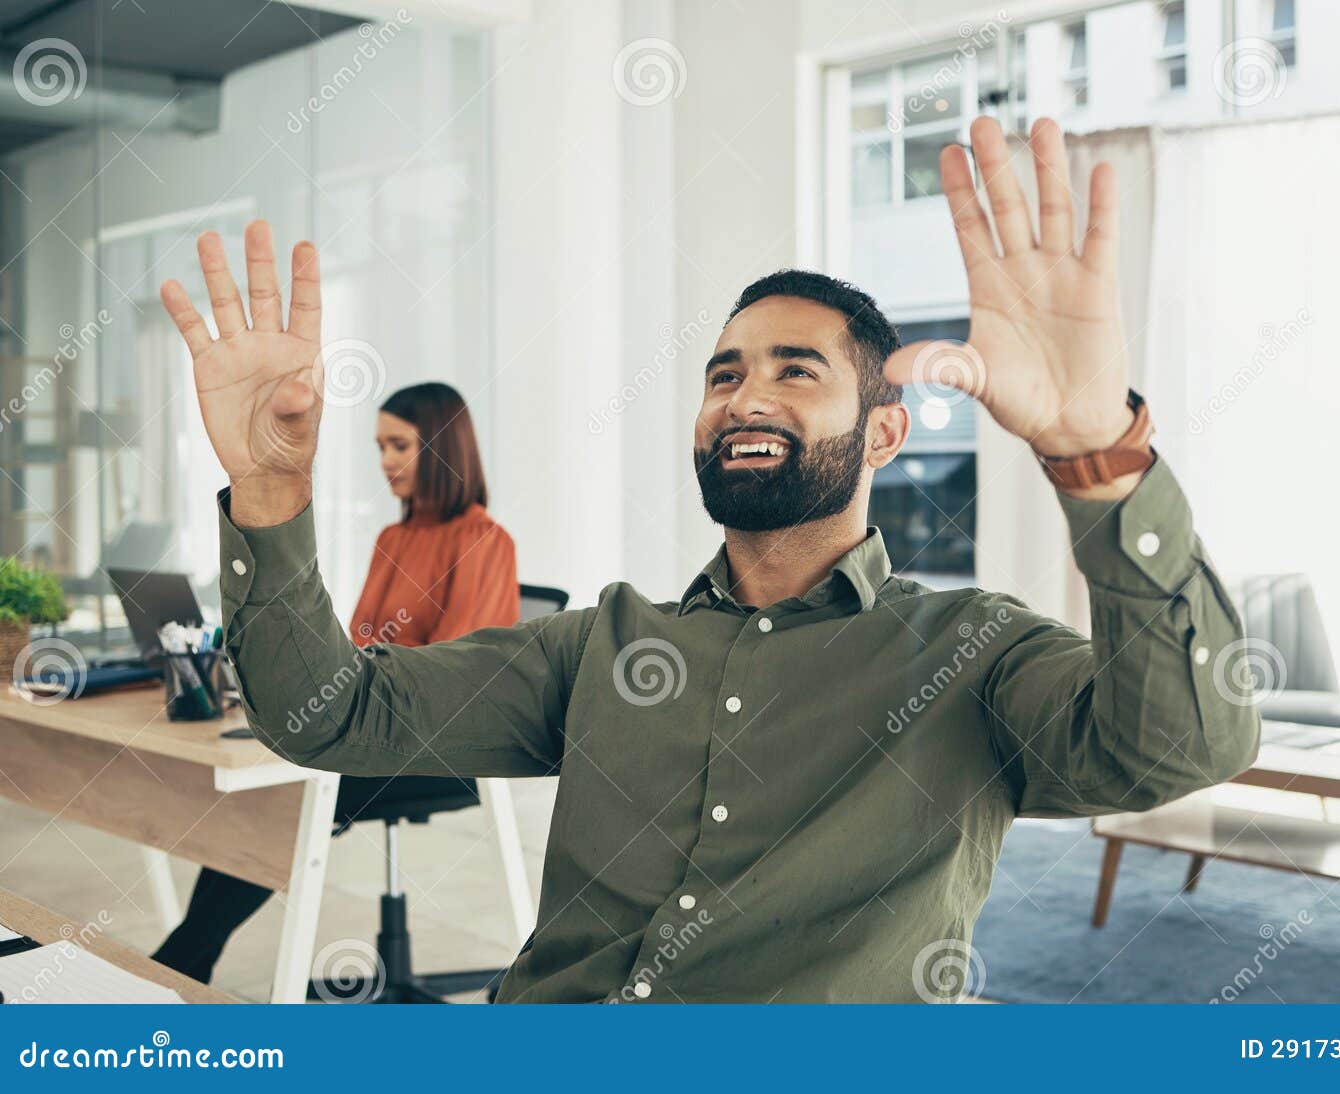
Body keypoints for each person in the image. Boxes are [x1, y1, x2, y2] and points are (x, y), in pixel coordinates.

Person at [158, 116, 1259, 1003]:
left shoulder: (971, 652)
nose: (746, 394)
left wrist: (1095, 451)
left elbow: (1182, 743)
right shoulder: (602, 643)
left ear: (882, 432)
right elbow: (324, 715)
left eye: (796, 370)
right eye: (724, 372)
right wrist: (269, 489)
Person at [151, 383, 516, 984]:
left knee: (285, 796)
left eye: (400, 445)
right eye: (380, 447)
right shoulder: (393, 539)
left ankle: (184, 960)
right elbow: (358, 644)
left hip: (439, 748)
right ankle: (186, 960)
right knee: (268, 777)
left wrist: (364, 677)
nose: (386, 462)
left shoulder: (484, 541)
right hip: (372, 726)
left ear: (444, 448)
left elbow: (459, 678)